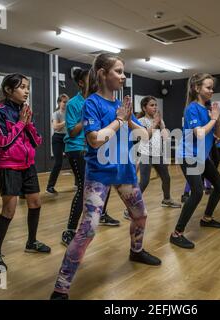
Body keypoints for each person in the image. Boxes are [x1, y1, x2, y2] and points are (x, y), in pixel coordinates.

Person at [50, 53, 161, 300]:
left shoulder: (121, 106)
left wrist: (137, 122)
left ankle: (137, 250)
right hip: (99, 174)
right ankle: (61, 287)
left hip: (124, 171)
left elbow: (143, 135)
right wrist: (120, 120)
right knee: (87, 230)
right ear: (102, 73)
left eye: (123, 72)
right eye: (118, 72)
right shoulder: (92, 103)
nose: (123, 77)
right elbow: (94, 139)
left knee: (141, 215)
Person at [0, 73, 51, 272]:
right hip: (9, 166)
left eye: (27, 87)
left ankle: (31, 242)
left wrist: (27, 123)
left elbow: (37, 141)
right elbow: (3, 141)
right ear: (8, 90)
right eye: (22, 87)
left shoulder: (24, 111)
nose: (27, 91)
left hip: (27, 164)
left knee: (35, 203)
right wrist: (21, 124)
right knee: (9, 209)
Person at [61, 67, 119, 247]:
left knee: (106, 182)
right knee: (82, 188)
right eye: (90, 78)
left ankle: (101, 214)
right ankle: (69, 230)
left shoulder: (98, 100)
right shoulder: (74, 103)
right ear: (80, 83)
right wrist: (87, 118)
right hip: (77, 148)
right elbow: (71, 131)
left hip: (97, 147)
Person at [170, 73, 220, 250]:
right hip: (188, 155)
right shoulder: (192, 109)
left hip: (202, 156)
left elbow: (219, 134)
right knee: (197, 192)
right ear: (196, 88)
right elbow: (199, 133)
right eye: (208, 87)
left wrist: (216, 117)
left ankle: (207, 218)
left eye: (212, 87)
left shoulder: (209, 109)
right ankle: (176, 234)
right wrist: (213, 118)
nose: (212, 90)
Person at [123, 95, 180, 221]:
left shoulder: (159, 120)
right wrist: (155, 123)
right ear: (144, 108)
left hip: (158, 154)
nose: (154, 107)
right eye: (151, 105)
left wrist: (162, 127)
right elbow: (145, 136)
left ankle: (166, 199)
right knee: (144, 181)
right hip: (146, 154)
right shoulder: (142, 121)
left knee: (166, 178)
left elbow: (164, 135)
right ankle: (130, 208)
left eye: (155, 105)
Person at [46, 94, 70, 194]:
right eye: (63, 102)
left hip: (67, 138)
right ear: (59, 102)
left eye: (67, 102)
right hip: (58, 138)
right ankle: (50, 187)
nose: (65, 104)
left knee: (74, 160)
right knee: (58, 163)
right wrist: (66, 121)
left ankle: (79, 183)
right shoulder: (56, 114)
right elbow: (56, 127)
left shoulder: (69, 113)